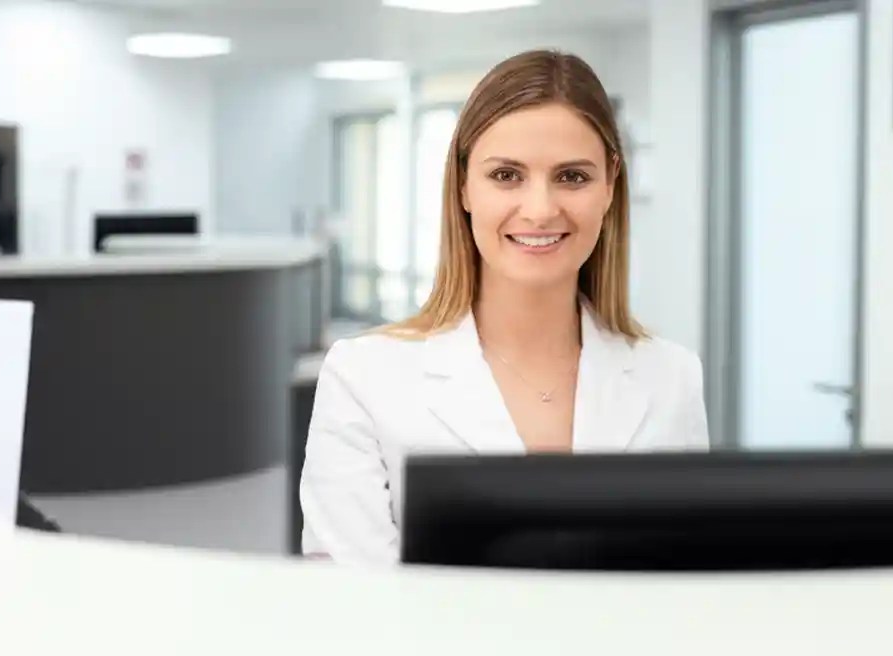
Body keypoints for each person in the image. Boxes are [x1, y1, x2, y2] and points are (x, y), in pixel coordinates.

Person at [299, 50, 709, 566]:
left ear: (610, 184)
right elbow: (350, 608)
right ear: (465, 185)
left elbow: (683, 584)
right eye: (507, 175)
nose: (539, 209)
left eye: (573, 177)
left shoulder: (670, 378)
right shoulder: (362, 377)